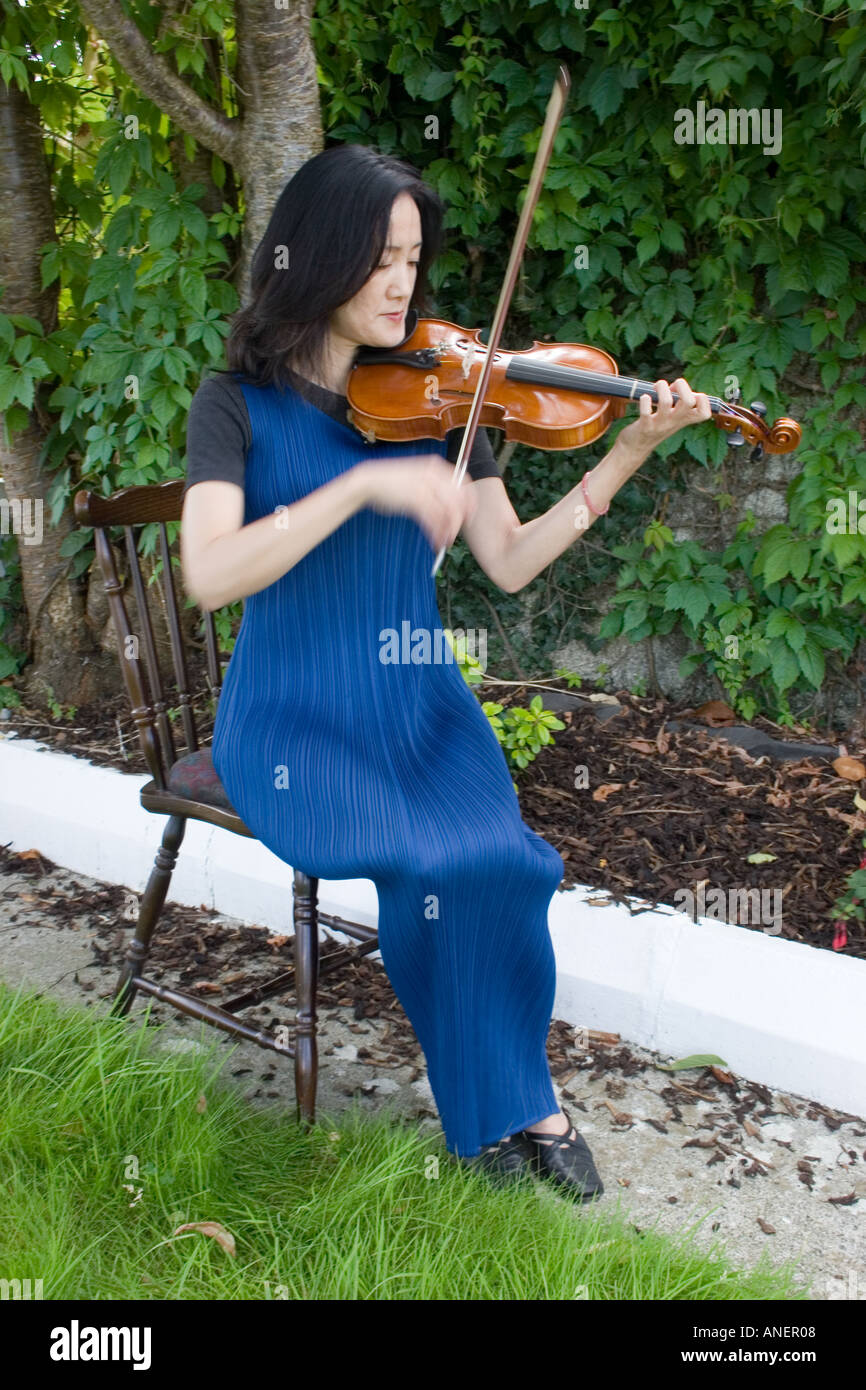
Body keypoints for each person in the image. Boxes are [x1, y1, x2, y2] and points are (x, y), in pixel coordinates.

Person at [180, 143, 711, 1199]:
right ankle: (497, 1121)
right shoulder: (233, 402)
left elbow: (508, 564)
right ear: (318, 256)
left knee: (500, 861)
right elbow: (208, 574)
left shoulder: (445, 402)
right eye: (378, 256)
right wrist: (357, 492)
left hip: (417, 704)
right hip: (295, 722)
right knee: (430, 866)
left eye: (412, 261)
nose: (398, 284)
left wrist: (621, 457)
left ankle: (519, 1102)